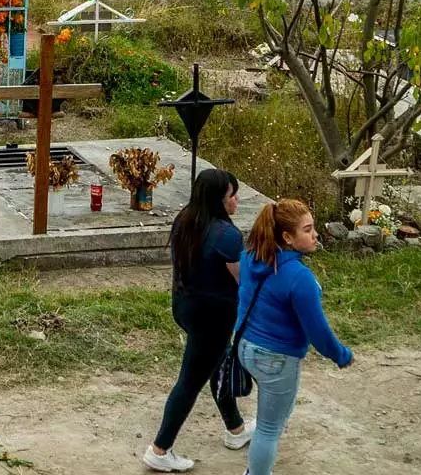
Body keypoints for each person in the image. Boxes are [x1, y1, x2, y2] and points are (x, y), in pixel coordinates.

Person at [143, 169, 250, 472]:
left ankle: (236, 429)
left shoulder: (186, 219)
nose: (237, 200)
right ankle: (160, 449)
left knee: (214, 364)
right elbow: (243, 280)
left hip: (184, 307)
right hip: (213, 317)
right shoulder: (226, 235)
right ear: (219, 199)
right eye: (233, 195)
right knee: (190, 380)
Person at [235, 199, 353, 475]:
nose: (315, 236)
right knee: (269, 428)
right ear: (287, 237)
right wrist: (340, 354)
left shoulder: (250, 257)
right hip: (276, 358)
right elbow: (318, 331)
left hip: (245, 347)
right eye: (307, 230)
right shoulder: (299, 278)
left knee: (269, 420)